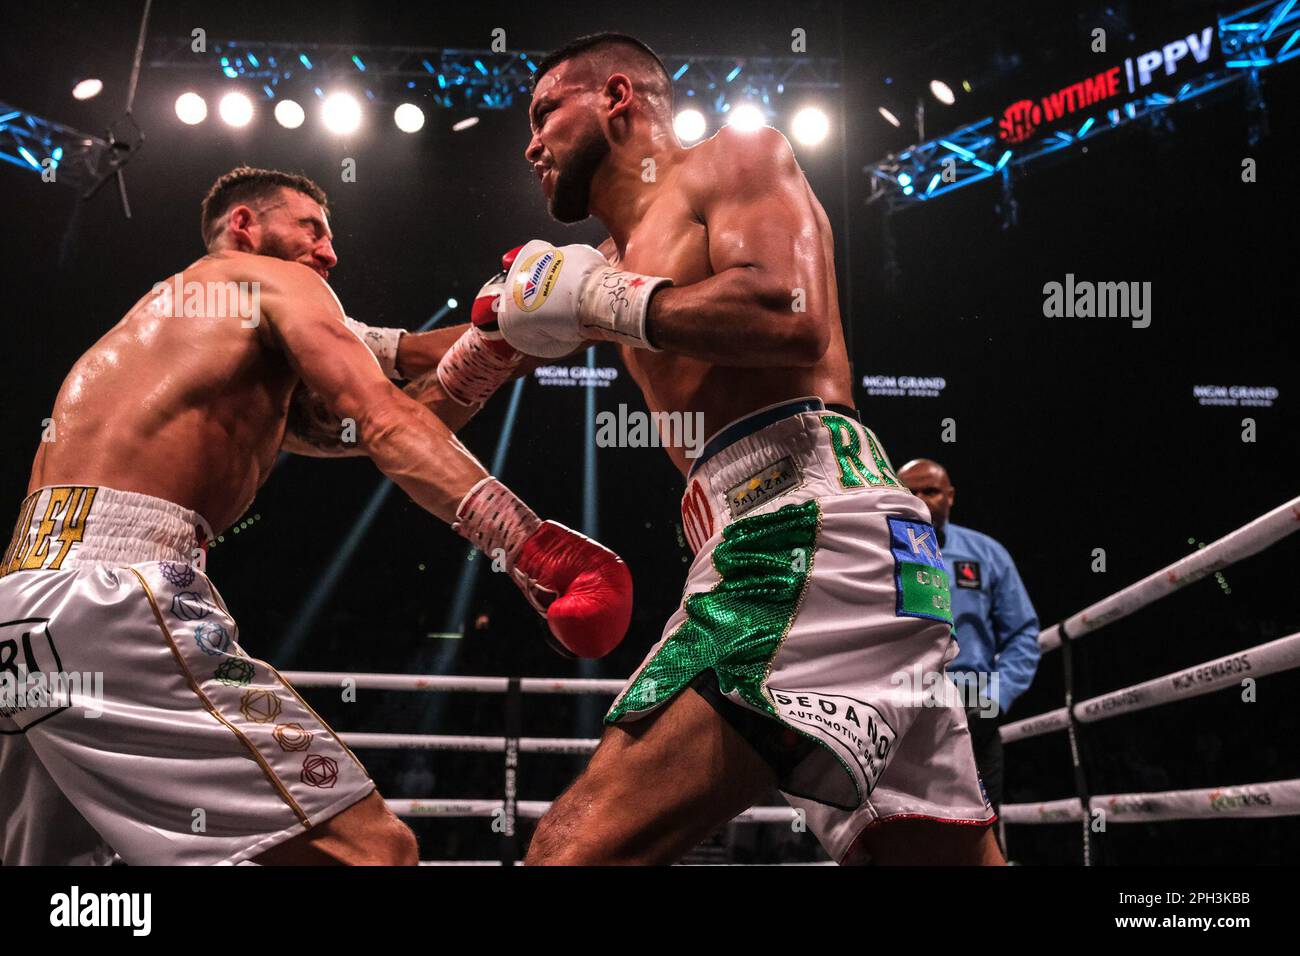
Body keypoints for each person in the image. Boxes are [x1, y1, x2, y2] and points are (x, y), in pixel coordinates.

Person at [470, 32, 1001, 864]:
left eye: (545, 113)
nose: (530, 143)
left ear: (617, 97)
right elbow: (412, 390)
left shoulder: (734, 158)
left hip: (802, 535)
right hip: (828, 549)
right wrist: (369, 343)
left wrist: (603, 299)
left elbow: (791, 318)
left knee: (570, 853)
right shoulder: (598, 266)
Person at [0, 166, 631, 866]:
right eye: (312, 228)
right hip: (117, 594)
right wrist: (527, 544)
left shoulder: (188, 324)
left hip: (21, 609)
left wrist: (511, 329)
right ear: (244, 225)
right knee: (371, 853)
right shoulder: (274, 284)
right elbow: (385, 418)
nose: (330, 252)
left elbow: (408, 388)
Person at [897, 458, 1040, 816]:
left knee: (980, 822)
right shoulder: (875, 552)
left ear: (950, 496)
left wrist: (997, 698)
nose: (919, 499)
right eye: (908, 491)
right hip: (899, 698)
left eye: (929, 491)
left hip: (974, 696)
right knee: (904, 827)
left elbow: (1022, 633)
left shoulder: (986, 554)